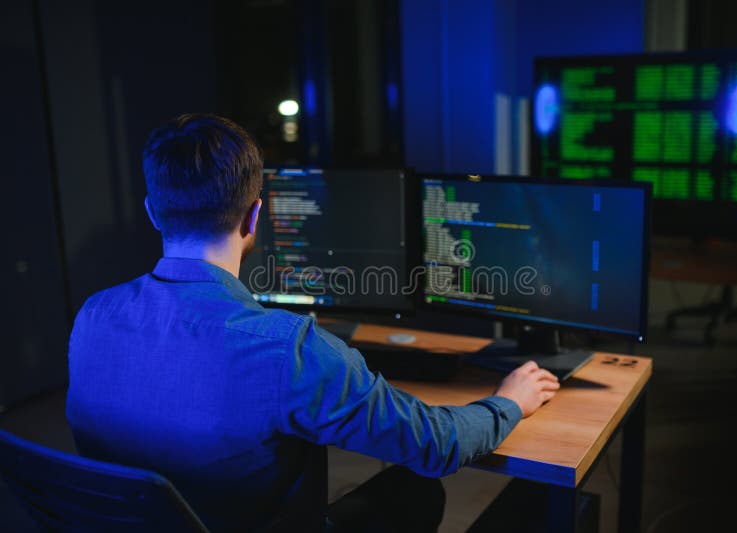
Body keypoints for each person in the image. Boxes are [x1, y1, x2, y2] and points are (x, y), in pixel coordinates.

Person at [66, 113, 560, 532]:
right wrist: (508, 401)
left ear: (153, 213)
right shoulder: (285, 349)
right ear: (254, 218)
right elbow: (435, 445)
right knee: (418, 489)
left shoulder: (92, 317)